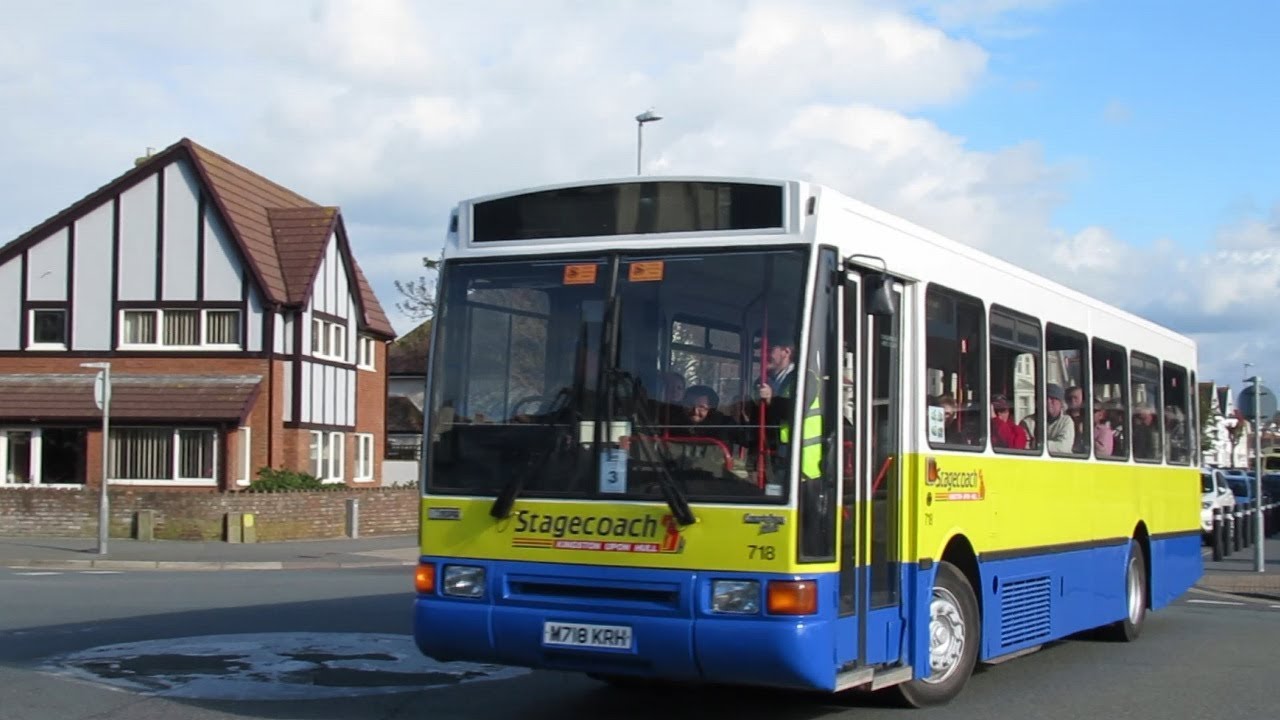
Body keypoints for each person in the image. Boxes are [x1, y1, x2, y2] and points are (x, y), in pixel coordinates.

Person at [1044, 383, 1076, 454]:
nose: (1048, 402)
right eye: (1045, 398)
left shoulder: (1066, 421)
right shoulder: (1028, 422)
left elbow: (1064, 447)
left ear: (1061, 403)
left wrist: (1040, 445)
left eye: (1053, 398)